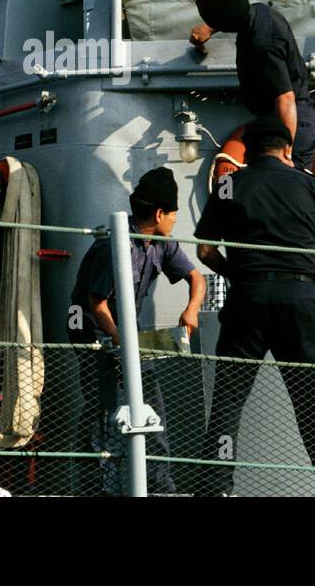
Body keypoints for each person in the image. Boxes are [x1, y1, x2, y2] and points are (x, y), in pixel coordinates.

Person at [194, 114, 315, 497]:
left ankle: (214, 489)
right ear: (287, 149)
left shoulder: (227, 186)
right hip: (301, 302)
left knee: (228, 404)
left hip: (247, 299)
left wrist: (236, 271)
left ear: (247, 152)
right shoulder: (311, 186)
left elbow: (204, 250)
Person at [69, 166, 206, 495]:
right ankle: (92, 488)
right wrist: (122, 344)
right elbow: (96, 304)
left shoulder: (162, 244)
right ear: (159, 213)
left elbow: (197, 278)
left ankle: (160, 487)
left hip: (130, 329)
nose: (175, 221)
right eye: (173, 214)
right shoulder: (112, 247)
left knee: (151, 407)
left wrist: (191, 309)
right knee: (101, 409)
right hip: (94, 329)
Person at [191, 0, 315, 173]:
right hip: (293, 118)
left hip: (292, 125)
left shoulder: (263, 46)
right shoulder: (261, 11)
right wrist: (209, 29)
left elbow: (286, 99)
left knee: (285, 197)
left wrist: (286, 152)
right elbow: (236, 14)